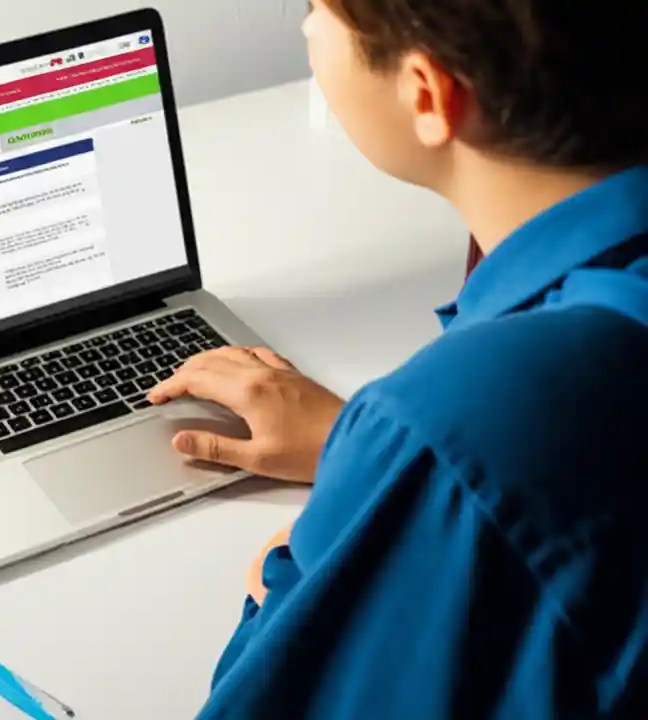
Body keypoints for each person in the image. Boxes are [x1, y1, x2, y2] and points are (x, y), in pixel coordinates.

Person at [147, 1, 648, 717]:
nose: (304, 28)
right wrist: (370, 451)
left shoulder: (464, 416)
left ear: (427, 94)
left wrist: (293, 570)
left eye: (317, 9)